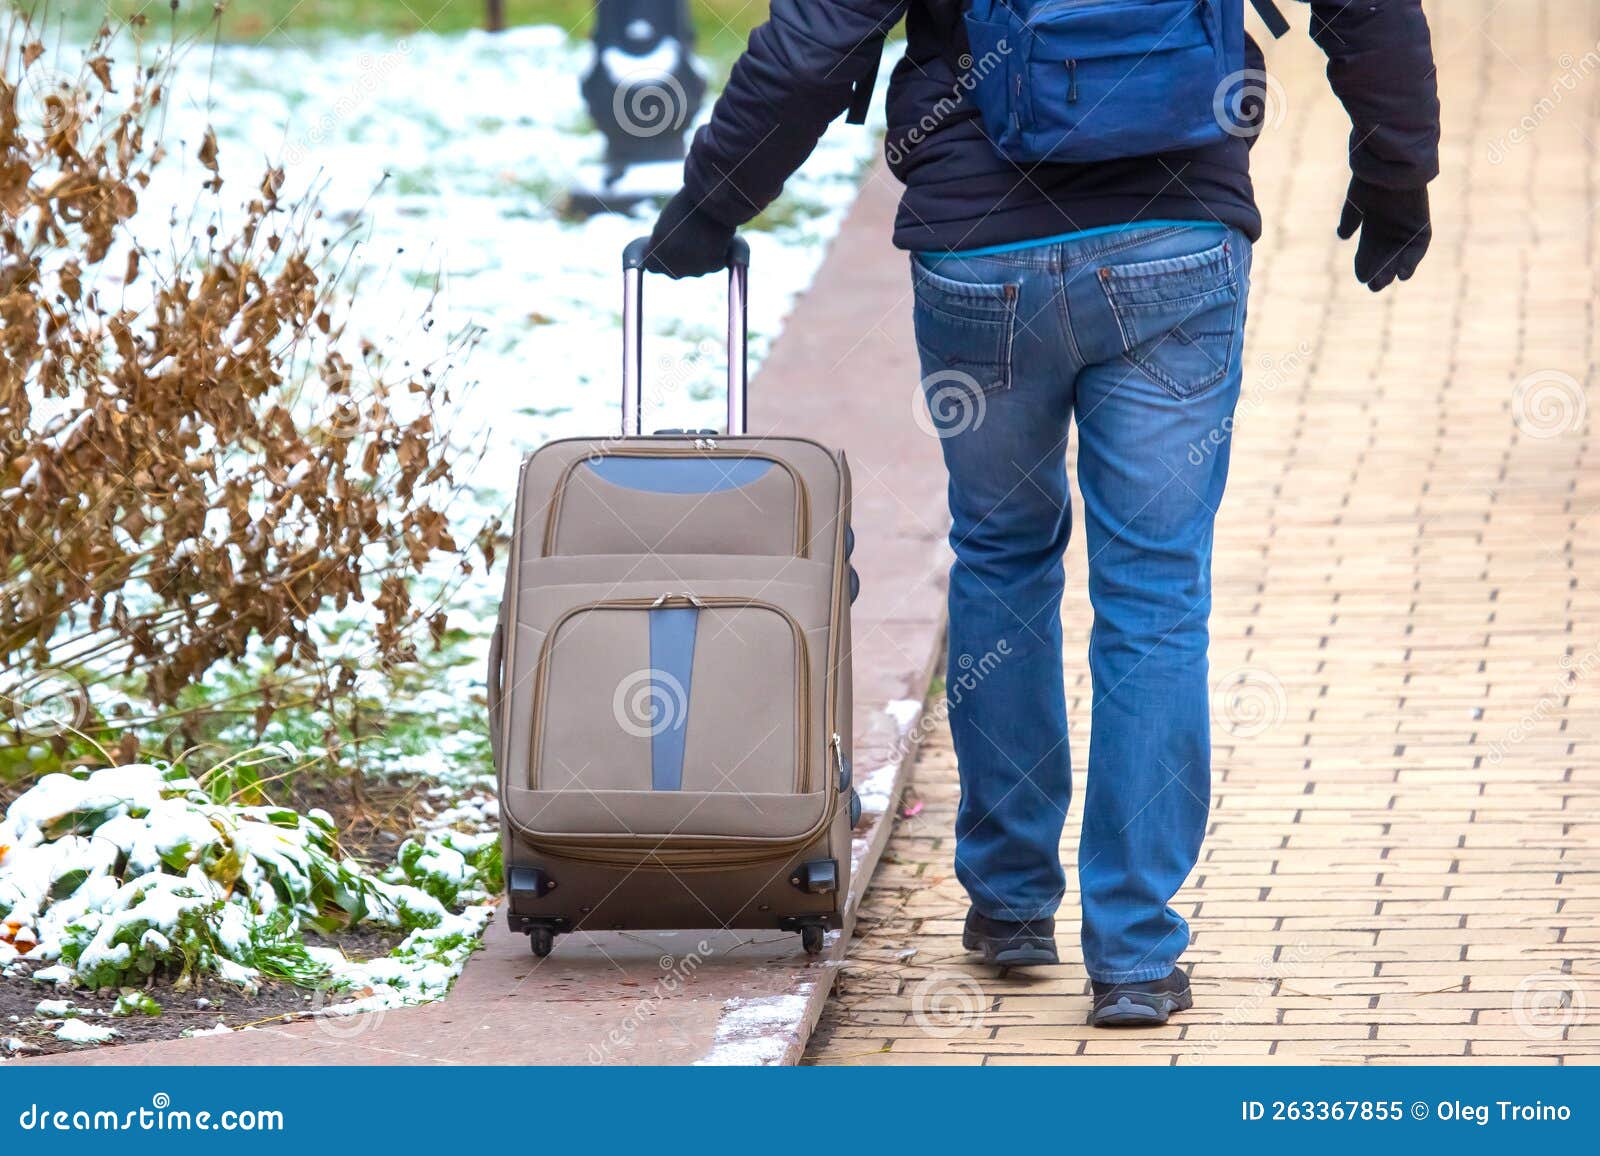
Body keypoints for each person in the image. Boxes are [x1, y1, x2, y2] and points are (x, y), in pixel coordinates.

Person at [642, 0, 1440, 1026]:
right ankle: (1136, 950)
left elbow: (814, 40)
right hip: (1175, 238)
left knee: (1002, 551)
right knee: (1154, 591)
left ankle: (1012, 898)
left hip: (979, 252)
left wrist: (715, 201)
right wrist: (1394, 171)